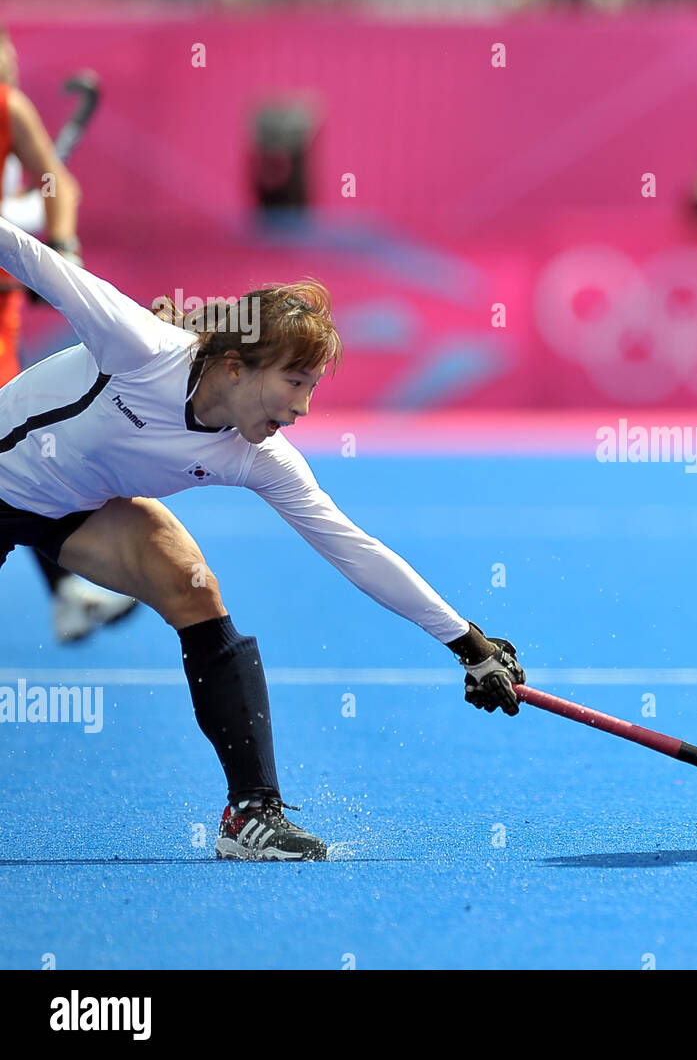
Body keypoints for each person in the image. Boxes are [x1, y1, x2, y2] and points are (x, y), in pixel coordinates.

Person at [0, 213, 525, 861]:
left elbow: (352, 547)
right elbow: (24, 253)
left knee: (193, 588)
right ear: (234, 369)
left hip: (77, 508)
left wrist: (466, 642)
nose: (302, 409)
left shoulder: (259, 456)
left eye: (312, 388)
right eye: (294, 383)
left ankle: (252, 814)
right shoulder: (137, 344)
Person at [0, 21, 139, 642]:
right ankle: (65, 594)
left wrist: (63, 248)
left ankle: (65, 592)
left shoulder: (8, 109)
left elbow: (60, 185)